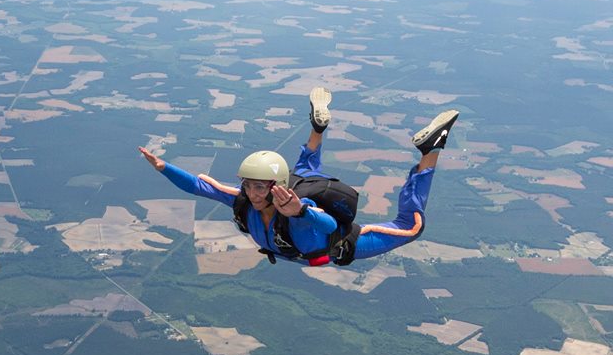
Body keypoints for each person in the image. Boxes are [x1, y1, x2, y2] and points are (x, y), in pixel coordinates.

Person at [139, 86, 458, 267]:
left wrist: (300, 211)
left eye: (258, 186)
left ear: (275, 185)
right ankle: (317, 128)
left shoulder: (295, 203)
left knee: (412, 226)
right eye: (248, 184)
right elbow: (200, 186)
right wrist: (164, 168)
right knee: (306, 170)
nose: (251, 192)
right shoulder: (246, 201)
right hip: (299, 245)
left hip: (339, 246)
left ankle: (430, 150)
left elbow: (330, 225)